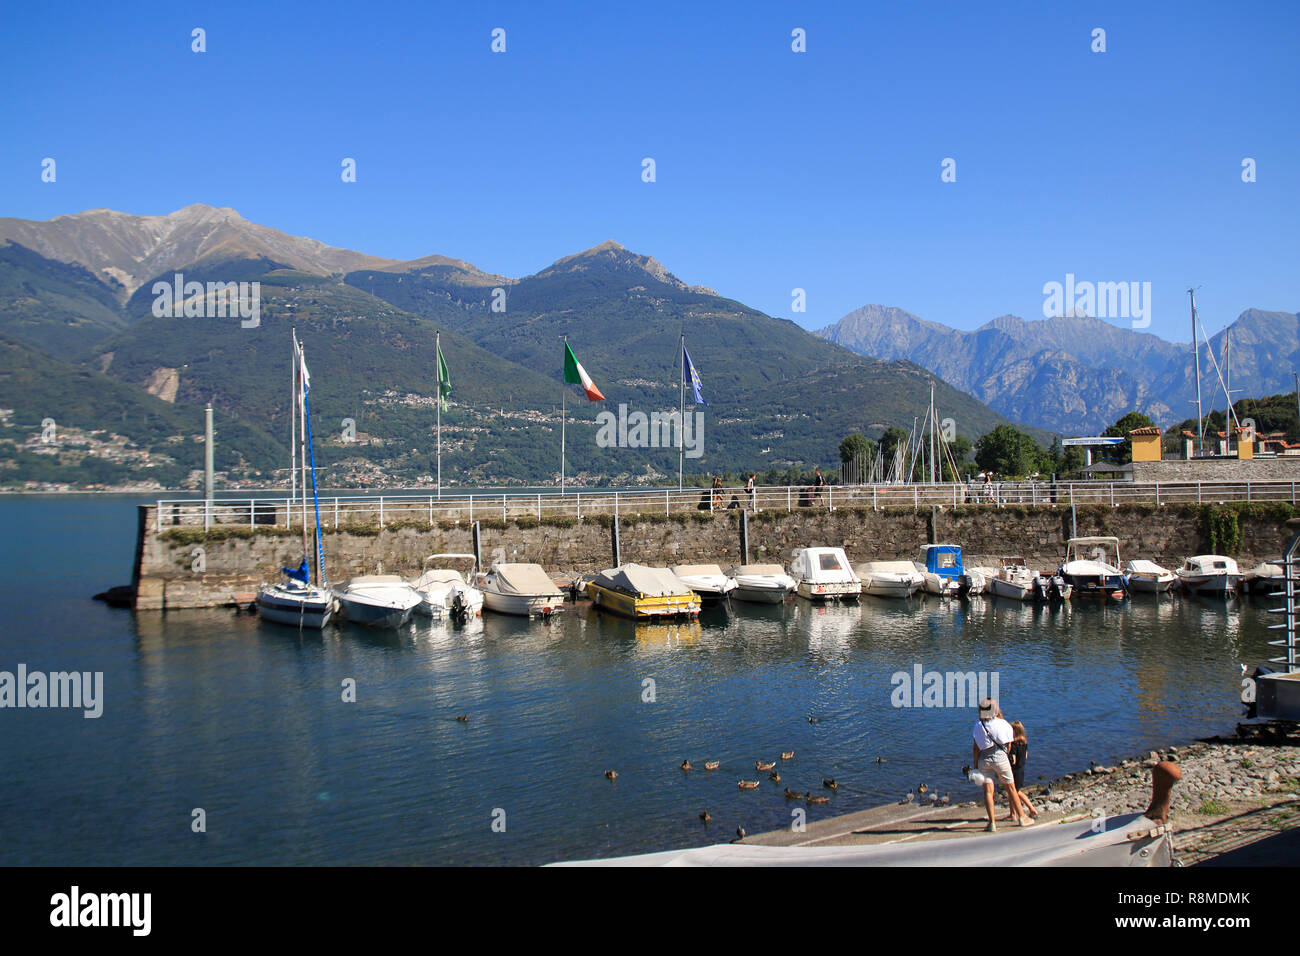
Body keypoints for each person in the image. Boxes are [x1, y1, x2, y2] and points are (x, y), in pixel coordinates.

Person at [971, 697, 1030, 832]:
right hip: (1000, 756)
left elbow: (975, 748)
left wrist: (975, 765)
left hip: (984, 758)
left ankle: (992, 822)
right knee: (1011, 788)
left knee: (988, 791)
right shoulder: (1004, 724)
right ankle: (1022, 817)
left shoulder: (978, 726)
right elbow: (1009, 745)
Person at [1005, 721, 1038, 821]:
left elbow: (1013, 760)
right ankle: (1013, 813)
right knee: (1012, 792)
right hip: (1021, 769)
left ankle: (1032, 809)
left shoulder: (1013, 745)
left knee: (1016, 792)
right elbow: (1026, 756)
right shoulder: (1024, 743)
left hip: (1014, 771)